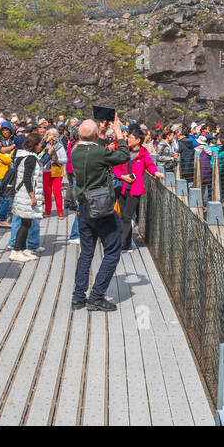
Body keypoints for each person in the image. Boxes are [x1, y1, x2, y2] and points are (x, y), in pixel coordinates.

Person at [71, 119, 131, 311]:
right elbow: (123, 156)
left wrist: (102, 131)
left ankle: (78, 297)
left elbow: (95, 149)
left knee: (86, 253)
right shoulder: (99, 152)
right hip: (103, 208)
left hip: (84, 207)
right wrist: (119, 132)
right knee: (113, 250)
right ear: (96, 136)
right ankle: (96, 296)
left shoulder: (75, 151)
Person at [115, 129, 161, 252]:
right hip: (123, 188)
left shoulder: (144, 153)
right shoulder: (125, 152)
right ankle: (128, 244)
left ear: (138, 140)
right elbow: (116, 167)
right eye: (128, 137)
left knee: (126, 216)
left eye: (131, 138)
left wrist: (156, 172)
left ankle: (117, 246)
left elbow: (150, 165)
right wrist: (122, 176)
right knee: (124, 217)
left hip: (135, 190)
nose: (128, 140)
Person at [8, 133, 45, 261]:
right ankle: (16, 251)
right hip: (26, 194)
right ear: (34, 145)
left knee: (26, 222)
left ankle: (22, 249)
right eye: (40, 143)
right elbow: (27, 179)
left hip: (21, 193)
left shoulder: (22, 156)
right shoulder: (30, 158)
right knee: (24, 224)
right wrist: (32, 196)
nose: (41, 145)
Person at [42, 129, 67, 219]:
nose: (51, 137)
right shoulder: (43, 146)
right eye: (49, 135)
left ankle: (60, 211)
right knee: (47, 192)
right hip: (46, 171)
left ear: (56, 136)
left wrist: (56, 159)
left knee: (57, 192)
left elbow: (65, 159)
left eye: (53, 135)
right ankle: (47, 211)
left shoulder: (59, 146)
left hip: (57, 171)